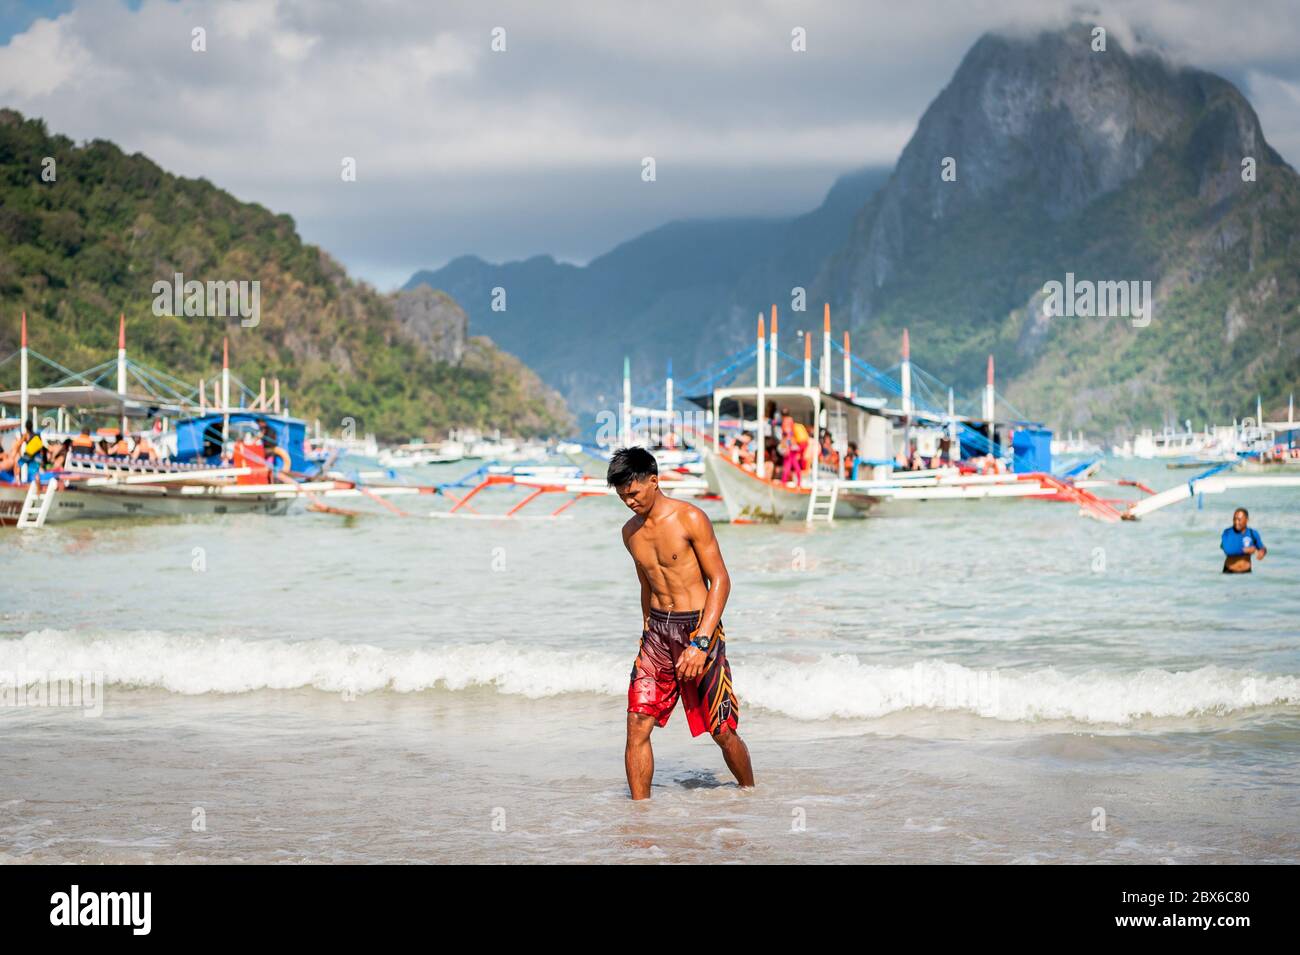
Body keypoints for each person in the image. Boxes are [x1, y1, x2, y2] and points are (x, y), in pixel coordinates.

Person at [608, 446, 754, 800]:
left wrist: (701, 642)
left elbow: (720, 579)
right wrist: (646, 629)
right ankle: (640, 818)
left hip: (698, 629)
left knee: (721, 730)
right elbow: (647, 582)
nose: (629, 502)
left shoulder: (690, 518)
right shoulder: (630, 533)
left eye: (634, 493)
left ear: (654, 481)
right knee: (637, 724)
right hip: (657, 633)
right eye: (622, 496)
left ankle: (751, 796)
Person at [1221, 507, 1266, 574]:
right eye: (1234, 519)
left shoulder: (1253, 533)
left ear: (1247, 520)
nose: (1236, 522)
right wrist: (1246, 550)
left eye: (1239, 520)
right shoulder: (1227, 532)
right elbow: (1228, 550)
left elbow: (1261, 547)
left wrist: (1262, 552)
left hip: (1247, 573)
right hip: (1229, 572)